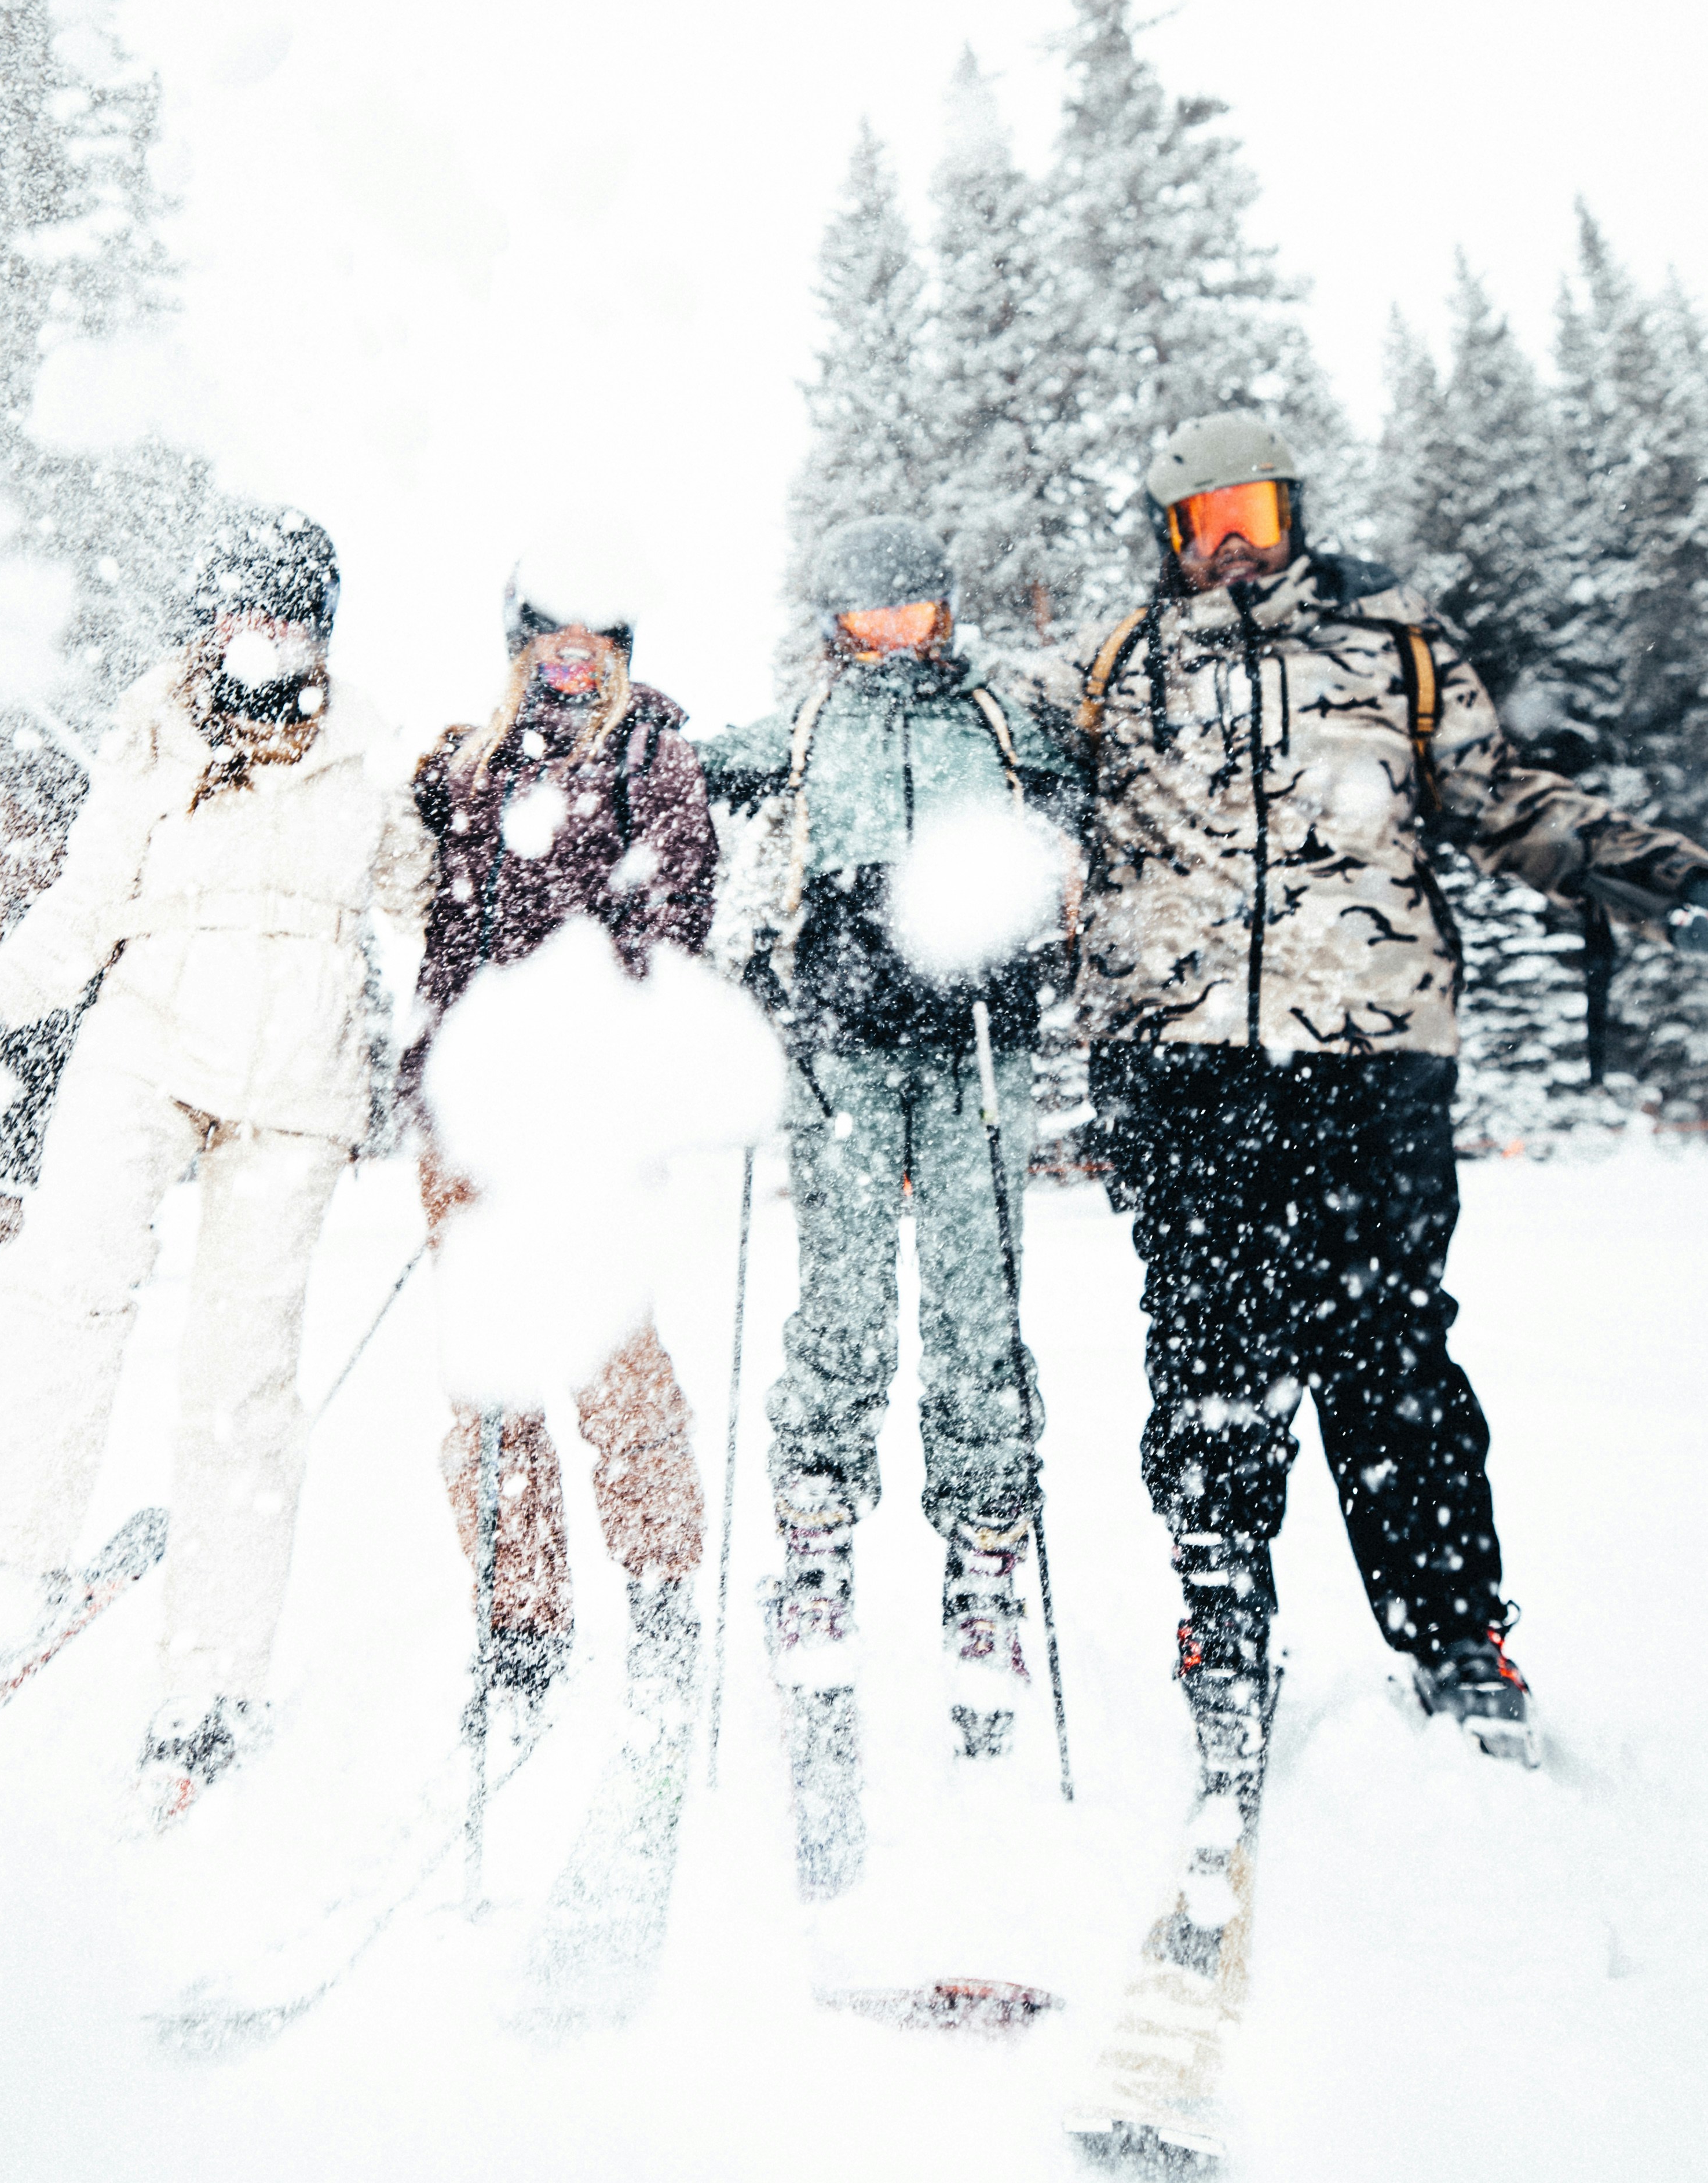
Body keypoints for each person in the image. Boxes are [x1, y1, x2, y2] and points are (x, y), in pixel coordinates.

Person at [1032, 411, 1708, 1780]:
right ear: (1170, 536)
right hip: (1183, 1062)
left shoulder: (1392, 647)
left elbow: (1498, 796)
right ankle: (1223, 1612)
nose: (1230, 543)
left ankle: (1457, 1633)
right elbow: (997, 763)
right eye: (1201, 520)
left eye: (1253, 514)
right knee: (1210, 1348)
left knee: (1391, 1351)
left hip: (1371, 1057)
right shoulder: (1114, 665)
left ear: (1293, 512)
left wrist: (1659, 877)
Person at [0, 504, 403, 1827]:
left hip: (297, 1081)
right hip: (150, 1035)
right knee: (62, 1280)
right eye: (239, 611)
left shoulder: (370, 751)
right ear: (207, 619)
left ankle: (214, 1674)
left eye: (284, 616)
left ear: (319, 631)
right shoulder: (153, 732)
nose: (259, 636)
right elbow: (80, 907)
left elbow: (438, 897)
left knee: (241, 1375)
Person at [700, 516, 1080, 1757]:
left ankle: (985, 1560)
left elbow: (1104, 787)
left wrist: (1045, 934)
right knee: (845, 1298)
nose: (891, 635)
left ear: (945, 611)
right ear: (834, 622)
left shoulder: (1005, 720)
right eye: (867, 615)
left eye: (911, 612)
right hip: (848, 1048)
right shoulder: (808, 726)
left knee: (982, 1302)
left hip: (977, 1040)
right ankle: (814, 1541)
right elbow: (691, 770)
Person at [393, 551, 719, 1725]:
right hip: (466, 1110)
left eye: (596, 639)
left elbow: (674, 914)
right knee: (490, 1371)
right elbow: (427, 903)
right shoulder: (471, 766)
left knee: (614, 1357)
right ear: (519, 645)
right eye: (551, 637)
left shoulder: (651, 757)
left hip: (586, 1107)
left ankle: (662, 1586)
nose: (572, 656)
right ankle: (519, 1610)